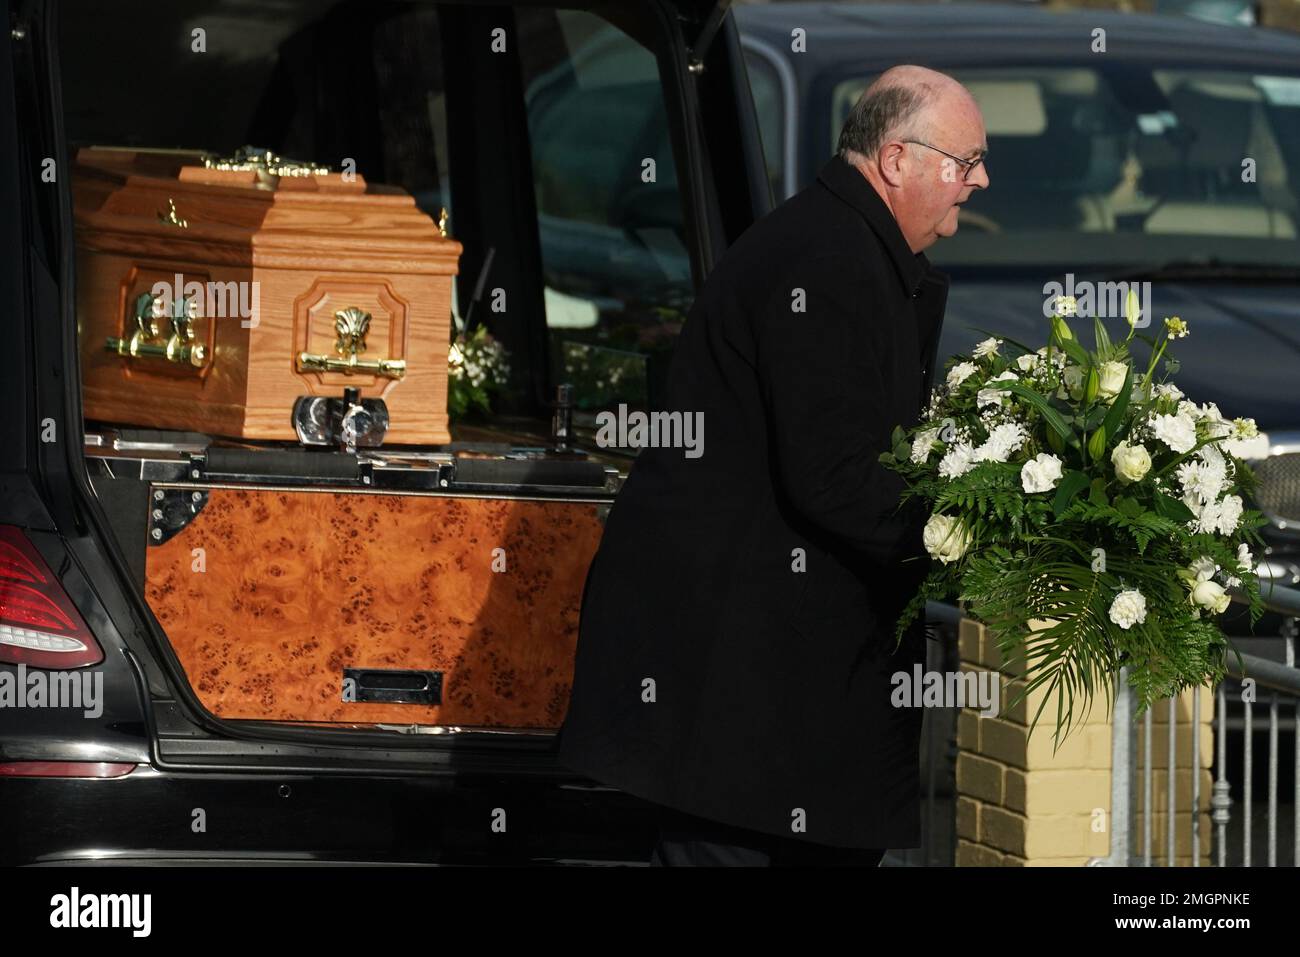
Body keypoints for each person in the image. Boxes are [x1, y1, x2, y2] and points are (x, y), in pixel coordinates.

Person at [556, 65, 989, 866]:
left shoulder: (845, 244)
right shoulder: (826, 261)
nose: (979, 180)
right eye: (963, 162)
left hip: (770, 701)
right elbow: (836, 477)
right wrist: (976, 540)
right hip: (740, 698)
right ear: (896, 159)